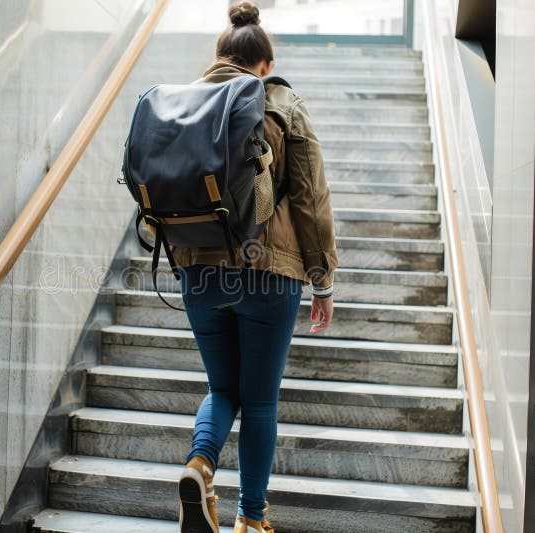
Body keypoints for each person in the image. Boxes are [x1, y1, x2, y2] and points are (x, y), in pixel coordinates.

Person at [173, 3, 338, 532]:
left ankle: (200, 465)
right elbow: (310, 200)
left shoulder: (184, 105)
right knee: (260, 402)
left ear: (219, 58)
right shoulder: (283, 103)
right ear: (263, 65)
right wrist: (323, 280)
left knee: (222, 389)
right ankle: (251, 519)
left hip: (200, 272)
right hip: (270, 273)